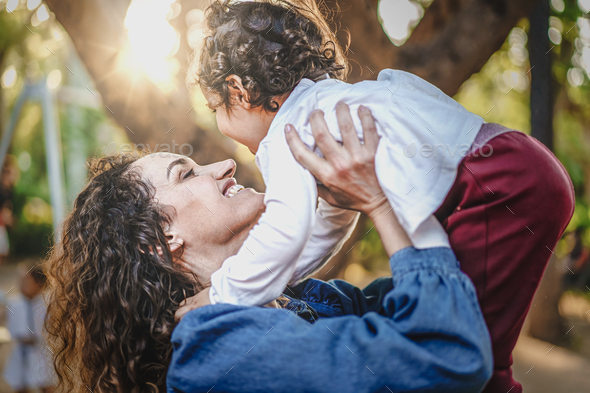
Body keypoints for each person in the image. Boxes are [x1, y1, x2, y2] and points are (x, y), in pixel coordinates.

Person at [192, 1, 574, 391]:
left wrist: (226, 293)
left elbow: (285, 226)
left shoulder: (287, 134)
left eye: (214, 108)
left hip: (494, 191)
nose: (218, 122)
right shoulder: (330, 106)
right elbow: (327, 221)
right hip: (520, 169)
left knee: (470, 354)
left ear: (237, 90)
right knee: (482, 340)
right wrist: (277, 282)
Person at [44, 107, 493, 393]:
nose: (225, 164)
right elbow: (448, 357)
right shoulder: (214, 355)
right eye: (186, 174)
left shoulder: (304, 298)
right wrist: (377, 201)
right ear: (158, 241)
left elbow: (458, 295)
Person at [3, 266, 55, 393]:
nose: (21, 284)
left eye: (26, 281)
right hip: (20, 351)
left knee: (45, 384)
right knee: (19, 384)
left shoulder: (49, 304)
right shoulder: (14, 303)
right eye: (20, 280)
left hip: (41, 351)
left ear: (39, 284)